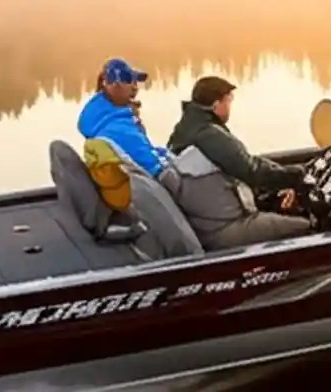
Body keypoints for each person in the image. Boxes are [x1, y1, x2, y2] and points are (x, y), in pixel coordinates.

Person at [164, 75, 312, 249]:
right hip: (224, 228)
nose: (230, 106)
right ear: (216, 104)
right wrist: (299, 175)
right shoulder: (208, 135)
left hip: (205, 222)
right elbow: (252, 170)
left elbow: (242, 163)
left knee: (276, 204)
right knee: (306, 225)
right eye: (229, 100)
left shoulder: (185, 128)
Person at [76, 57, 170, 178]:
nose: (136, 88)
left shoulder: (102, 123)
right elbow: (157, 169)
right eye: (132, 82)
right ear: (116, 85)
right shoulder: (120, 130)